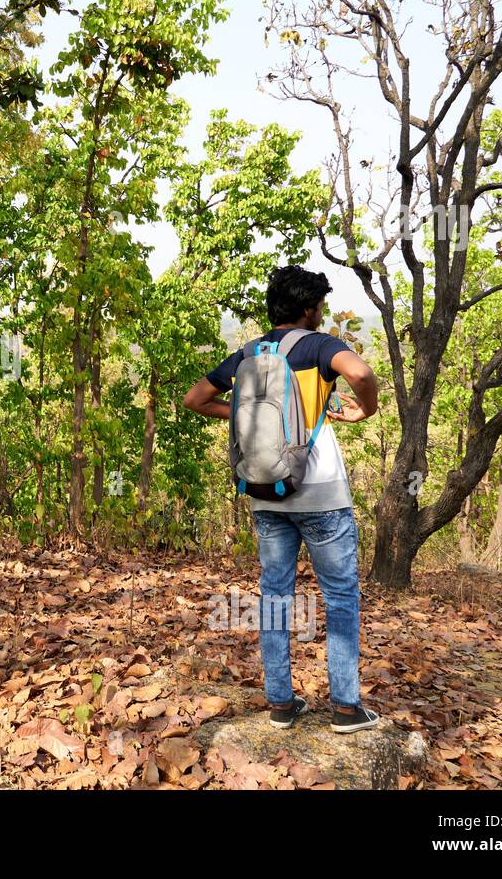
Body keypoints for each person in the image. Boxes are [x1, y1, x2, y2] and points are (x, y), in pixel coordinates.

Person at [182, 265, 381, 733]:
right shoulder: (320, 345)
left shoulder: (249, 352)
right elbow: (361, 372)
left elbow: (195, 399)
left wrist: (243, 410)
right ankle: (347, 708)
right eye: (319, 307)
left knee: (274, 596)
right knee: (339, 596)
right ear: (310, 310)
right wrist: (365, 408)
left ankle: (280, 703)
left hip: (266, 491)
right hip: (321, 492)